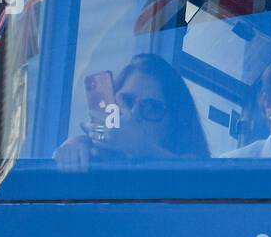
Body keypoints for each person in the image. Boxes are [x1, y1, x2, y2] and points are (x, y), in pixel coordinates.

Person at [54, 53, 209, 170]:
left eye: (152, 108)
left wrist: (144, 149)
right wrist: (77, 148)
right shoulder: (94, 160)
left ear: (174, 123)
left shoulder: (192, 168)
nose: (133, 114)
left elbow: (196, 178)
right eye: (127, 100)